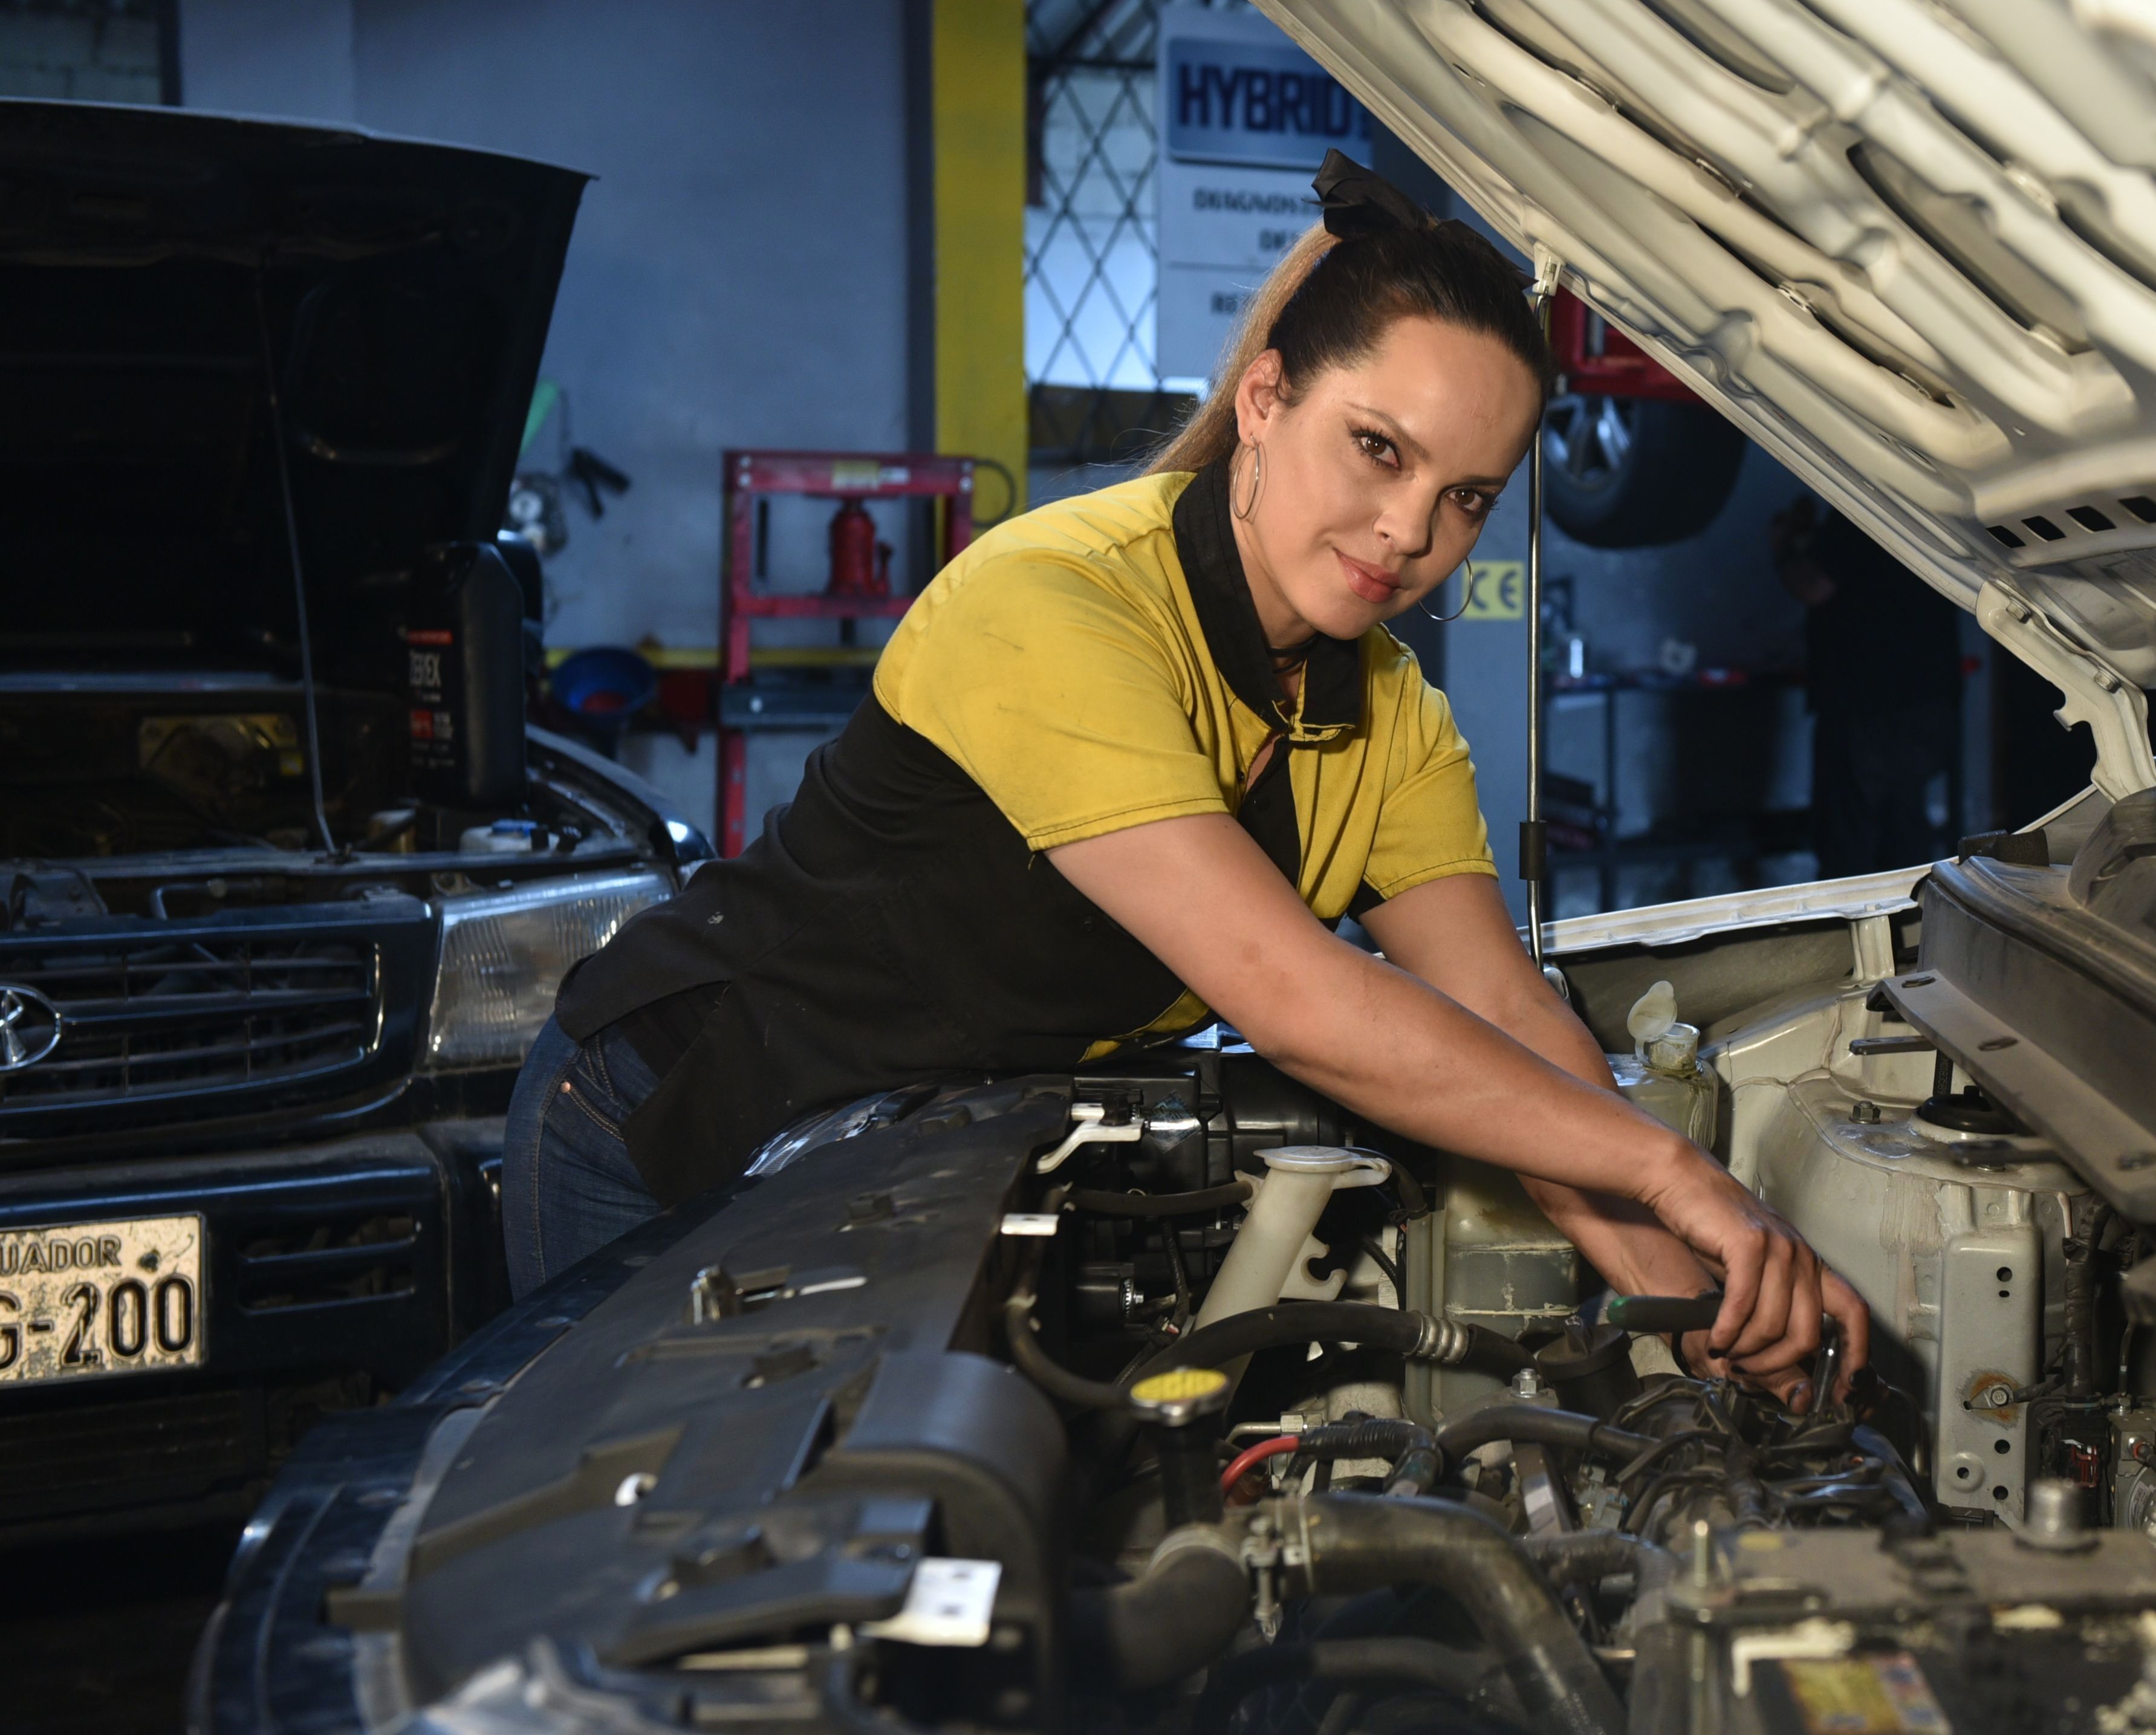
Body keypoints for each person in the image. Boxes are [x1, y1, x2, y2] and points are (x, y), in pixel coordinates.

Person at [505, 153, 1866, 1407]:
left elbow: (1507, 1014)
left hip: (907, 1156)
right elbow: (1295, 998)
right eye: (1379, 449)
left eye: (1466, 497)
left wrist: (1685, 1298)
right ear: (1265, 401)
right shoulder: (1059, 602)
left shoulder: (1393, 713)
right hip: (676, 1120)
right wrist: (1669, 1166)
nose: (1410, 532)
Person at [1771, 491, 1964, 875]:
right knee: (1905, 841)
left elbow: (1814, 586)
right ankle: (1912, 932)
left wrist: (1783, 549)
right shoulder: (1927, 510)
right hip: (1920, 703)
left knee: (1848, 849)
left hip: (1867, 708)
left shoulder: (1861, 510)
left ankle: (1856, 933)